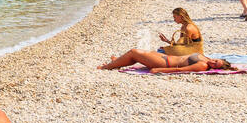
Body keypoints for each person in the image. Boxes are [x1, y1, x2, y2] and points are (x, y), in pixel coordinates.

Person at [97, 49, 234, 73]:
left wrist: (159, 70)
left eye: (215, 65)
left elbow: (180, 70)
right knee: (137, 54)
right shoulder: (207, 59)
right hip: (165, 57)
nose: (214, 62)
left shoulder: (203, 65)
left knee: (134, 52)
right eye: (216, 60)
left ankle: (107, 67)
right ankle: (118, 62)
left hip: (164, 63)